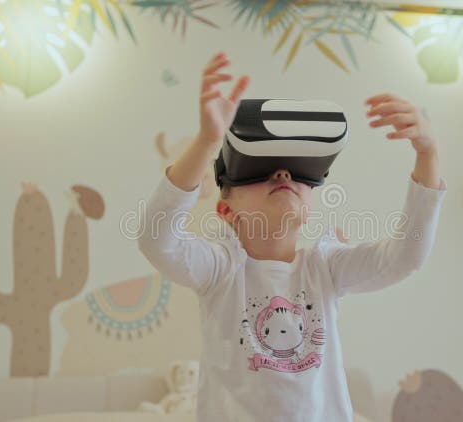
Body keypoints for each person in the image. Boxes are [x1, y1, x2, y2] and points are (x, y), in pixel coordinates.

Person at [138, 51, 446, 421]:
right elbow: (157, 240)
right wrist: (207, 141)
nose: (283, 175)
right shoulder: (221, 270)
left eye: (299, 174)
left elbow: (404, 258)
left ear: (311, 206)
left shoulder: (325, 268)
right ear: (226, 210)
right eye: (260, 171)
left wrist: (428, 155)